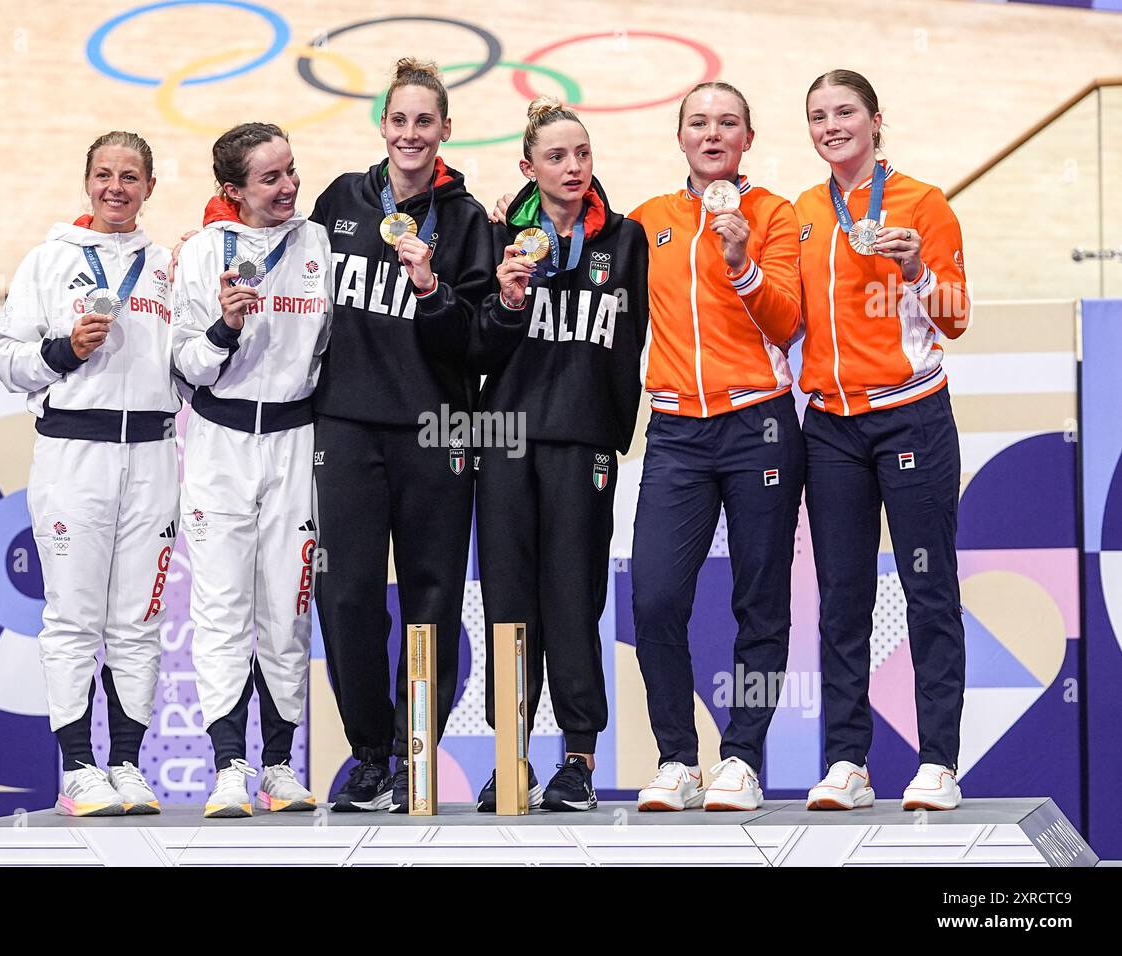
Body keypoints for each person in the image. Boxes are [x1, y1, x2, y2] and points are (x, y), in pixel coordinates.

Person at [310, 58, 497, 812]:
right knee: (347, 595)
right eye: (400, 120)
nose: (411, 133)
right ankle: (369, 752)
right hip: (347, 426)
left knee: (432, 598)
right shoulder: (342, 201)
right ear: (382, 127)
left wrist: (431, 287)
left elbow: (480, 345)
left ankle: (415, 751)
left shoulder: (469, 220)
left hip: (436, 429)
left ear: (445, 130)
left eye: (426, 121)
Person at [0, 131, 179, 816]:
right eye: (104, 175)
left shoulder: (169, 266)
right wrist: (61, 350)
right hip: (74, 454)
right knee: (73, 617)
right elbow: (3, 356)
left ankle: (125, 764)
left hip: (155, 454)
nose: (116, 188)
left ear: (150, 186)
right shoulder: (49, 261)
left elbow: (188, 365)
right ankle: (76, 768)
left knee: (139, 619)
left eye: (130, 176)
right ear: (87, 181)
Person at [626, 83, 805, 813]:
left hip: (759, 423)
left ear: (747, 138)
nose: (712, 133)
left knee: (759, 599)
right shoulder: (648, 222)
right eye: (698, 122)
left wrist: (742, 261)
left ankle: (742, 758)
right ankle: (676, 757)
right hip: (675, 431)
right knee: (655, 596)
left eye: (727, 122)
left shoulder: (774, 215)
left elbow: (788, 320)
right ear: (680, 137)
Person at [796, 70, 970, 811]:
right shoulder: (803, 211)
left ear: (875, 119)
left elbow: (956, 316)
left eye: (844, 112)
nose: (831, 125)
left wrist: (916, 269)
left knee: (928, 588)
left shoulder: (923, 203)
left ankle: (937, 763)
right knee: (841, 596)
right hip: (830, 425)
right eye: (817, 115)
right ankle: (847, 762)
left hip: (910, 417)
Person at [472, 97, 648, 812]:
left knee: (575, 599)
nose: (573, 167)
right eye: (556, 156)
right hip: (505, 438)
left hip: (582, 442)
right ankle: (510, 758)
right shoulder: (495, 240)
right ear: (528, 167)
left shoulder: (629, 239)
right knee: (508, 604)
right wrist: (507, 299)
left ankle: (578, 759)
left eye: (582, 154)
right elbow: (475, 348)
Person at [171, 123, 332, 816]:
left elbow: (329, 346)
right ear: (232, 191)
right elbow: (185, 363)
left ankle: (279, 767)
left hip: (295, 442)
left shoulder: (318, 243)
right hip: (220, 445)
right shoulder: (203, 255)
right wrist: (223, 330)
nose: (290, 186)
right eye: (271, 179)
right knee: (221, 609)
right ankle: (230, 765)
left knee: (287, 609)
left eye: (291, 170)